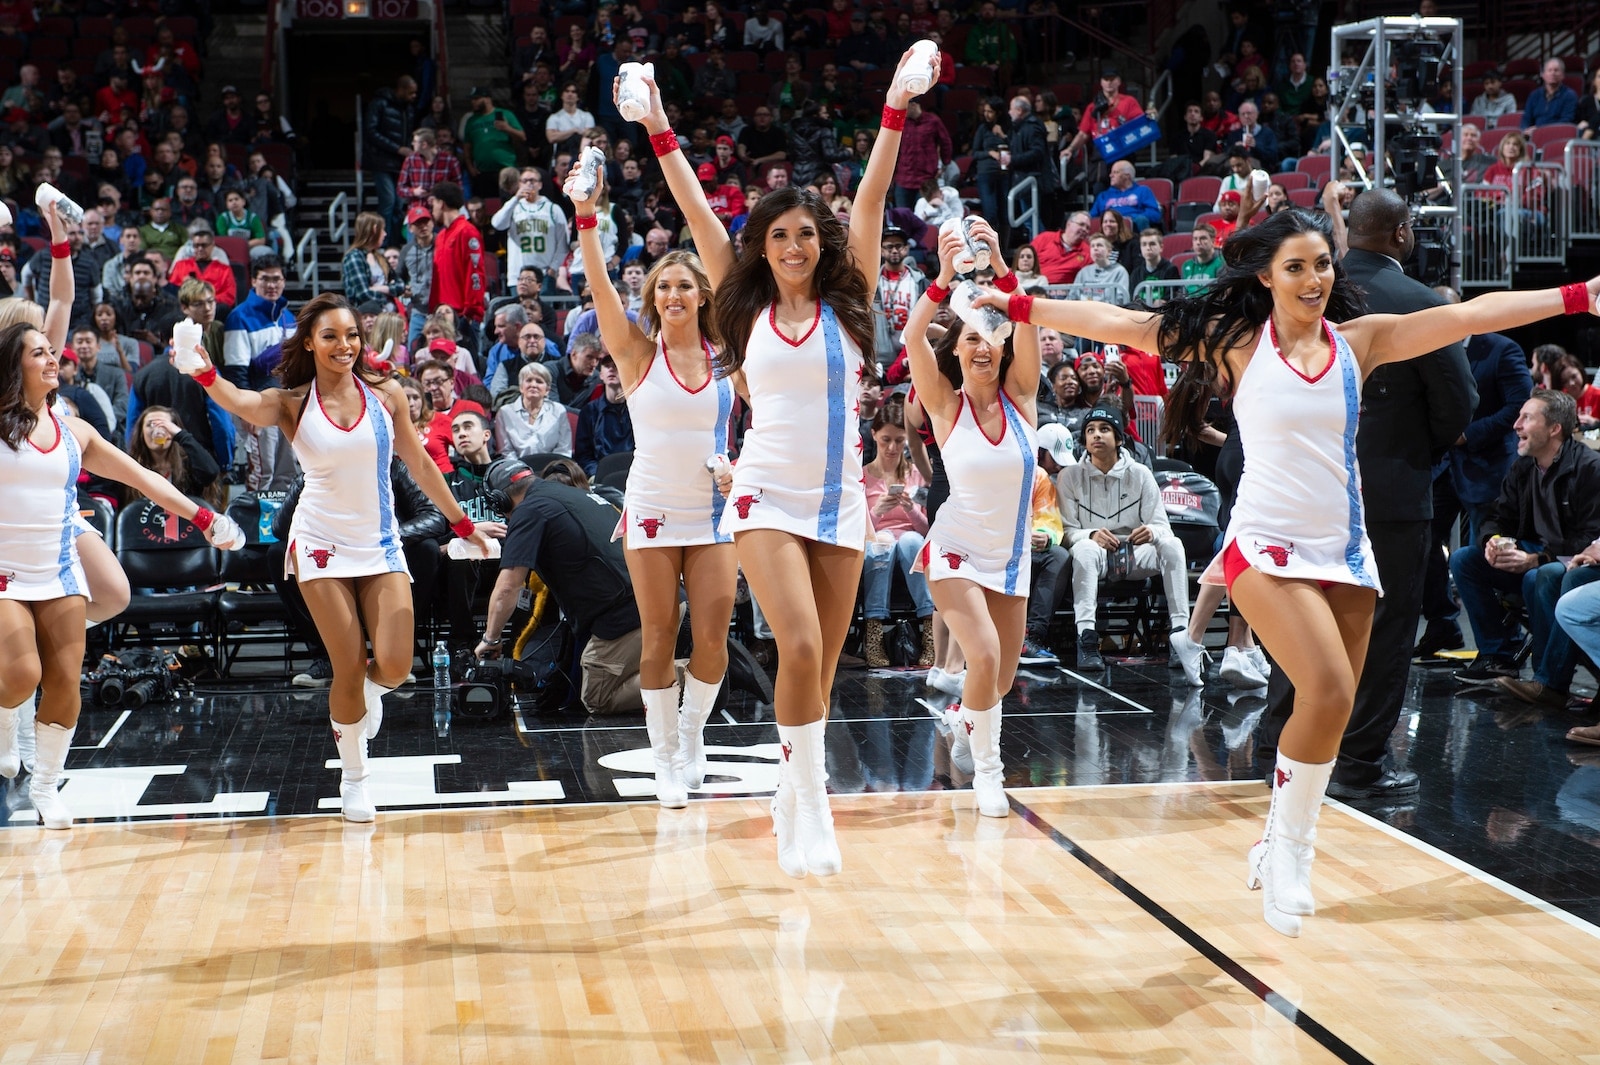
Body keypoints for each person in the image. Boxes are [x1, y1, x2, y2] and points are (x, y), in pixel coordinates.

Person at [966, 206, 1600, 937]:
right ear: (1266, 275)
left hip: (1344, 549)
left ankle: (1278, 836)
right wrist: (1021, 302)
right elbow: (1121, 322)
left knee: (1333, 707)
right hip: (1263, 546)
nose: (1314, 278)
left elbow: (1471, 315)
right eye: (1296, 266)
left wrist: (1577, 295)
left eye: (1323, 264)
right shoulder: (1237, 344)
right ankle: (1293, 851)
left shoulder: (1361, 341)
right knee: (1327, 688)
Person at [638, 47, 922, 877]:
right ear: (759, 246)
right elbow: (694, 209)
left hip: (840, 499)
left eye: (805, 233)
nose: (793, 245)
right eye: (778, 234)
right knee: (797, 646)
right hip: (762, 494)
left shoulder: (852, 300)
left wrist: (895, 104)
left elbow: (870, 194)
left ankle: (790, 788)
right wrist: (658, 125)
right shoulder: (741, 308)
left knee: (821, 671)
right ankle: (815, 798)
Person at [179, 293, 492, 823]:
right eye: (330, 336)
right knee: (347, 665)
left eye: (351, 335)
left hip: (378, 541)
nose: (343, 345)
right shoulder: (290, 403)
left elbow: (418, 463)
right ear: (310, 343)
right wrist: (204, 373)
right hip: (319, 541)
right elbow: (239, 401)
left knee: (393, 666)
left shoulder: (388, 394)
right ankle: (355, 778)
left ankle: (361, 704)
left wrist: (462, 523)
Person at [0, 203, 241, 826]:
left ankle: (45, 779)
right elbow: (56, 305)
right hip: (5, 558)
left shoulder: (70, 423)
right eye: (40, 351)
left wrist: (204, 517)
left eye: (52, 351)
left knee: (70, 666)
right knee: (20, 669)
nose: (55, 355)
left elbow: (137, 476)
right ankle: (10, 733)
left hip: (56, 547)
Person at [1256, 189, 1476, 802]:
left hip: (1299, 496)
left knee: (1297, 632)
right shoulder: (1412, 302)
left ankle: (1284, 748)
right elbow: (1458, 404)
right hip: (1393, 494)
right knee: (1386, 633)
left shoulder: (1305, 295)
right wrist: (1417, 457)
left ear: (1347, 240)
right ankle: (1357, 763)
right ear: (1403, 234)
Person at [562, 162, 739, 805]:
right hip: (654, 509)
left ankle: (692, 736)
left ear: (701, 295)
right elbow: (602, 289)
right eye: (664, 288)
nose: (672, 296)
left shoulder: (730, 357)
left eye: (684, 287)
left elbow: (771, 416)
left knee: (715, 636)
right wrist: (586, 217)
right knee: (660, 632)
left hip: (718, 511)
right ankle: (664, 755)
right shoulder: (637, 353)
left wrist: (739, 467)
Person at [897, 216, 1038, 817]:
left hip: (1013, 556)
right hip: (953, 548)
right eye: (971, 339)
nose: (983, 346)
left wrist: (1001, 265)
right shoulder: (945, 406)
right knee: (979, 658)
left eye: (991, 336)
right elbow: (910, 340)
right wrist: (943, 278)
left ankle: (963, 719)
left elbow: (1027, 314)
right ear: (956, 351)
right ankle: (988, 772)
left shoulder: (1024, 397)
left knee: (1000, 680)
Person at [1447, 389, 1600, 703]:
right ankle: (1497, 656)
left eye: (1526, 418)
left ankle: (1548, 679)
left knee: (1540, 576)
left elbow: (1590, 536)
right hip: (1538, 553)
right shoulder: (1523, 466)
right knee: (1465, 559)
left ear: (1554, 428)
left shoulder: (1589, 467)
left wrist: (1536, 559)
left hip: (1573, 560)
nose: (1516, 425)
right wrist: (1492, 541)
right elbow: (1497, 515)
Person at [478, 461, 647, 714]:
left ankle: (694, 678)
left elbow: (507, 587)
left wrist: (490, 639)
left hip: (625, 616)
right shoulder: (583, 495)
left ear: (499, 502)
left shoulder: (528, 510)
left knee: (597, 697)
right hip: (654, 600)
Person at [1418, 329, 1532, 658]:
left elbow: (1517, 408)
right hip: (1444, 466)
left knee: (1483, 553)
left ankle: (1499, 644)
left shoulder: (1501, 349)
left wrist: (1468, 435)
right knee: (1423, 539)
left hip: (1490, 466)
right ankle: (1442, 622)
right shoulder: (1429, 345)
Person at [859, 404, 934, 667]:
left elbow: (927, 529)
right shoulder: (863, 477)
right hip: (877, 541)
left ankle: (930, 628)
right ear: (875, 435)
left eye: (899, 441)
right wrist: (878, 512)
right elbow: (860, 530)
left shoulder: (918, 475)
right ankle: (874, 630)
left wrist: (910, 508)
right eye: (886, 440)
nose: (892, 448)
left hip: (912, 540)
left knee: (912, 541)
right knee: (882, 545)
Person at [428, 182, 488, 350]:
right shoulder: (440, 236)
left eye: (433, 204)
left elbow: (475, 273)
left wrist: (471, 313)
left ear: (441, 203)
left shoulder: (467, 231)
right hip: (441, 316)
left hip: (462, 317)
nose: (433, 211)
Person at [492, 167, 569, 296]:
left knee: (542, 314)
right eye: (524, 181)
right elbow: (497, 224)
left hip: (544, 275)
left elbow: (563, 243)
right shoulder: (513, 207)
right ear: (519, 184)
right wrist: (515, 198)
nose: (528, 184)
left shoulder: (553, 209)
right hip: (517, 275)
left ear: (540, 184)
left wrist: (553, 268)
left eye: (532, 180)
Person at [495, 359, 572, 457]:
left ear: (547, 390)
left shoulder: (558, 411)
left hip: (552, 468)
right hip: (516, 469)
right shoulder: (505, 413)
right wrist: (522, 471)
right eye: (529, 380)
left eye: (539, 381)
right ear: (521, 387)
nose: (533, 385)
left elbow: (564, 449)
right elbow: (506, 452)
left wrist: (552, 469)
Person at [1090, 161, 1163, 233]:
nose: (1110, 175)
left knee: (1141, 220)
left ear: (1127, 176)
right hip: (1108, 228)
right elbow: (1092, 216)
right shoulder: (1103, 195)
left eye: (1115, 172)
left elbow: (1155, 214)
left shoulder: (1142, 190)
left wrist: (1131, 218)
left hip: (1134, 227)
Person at [1031, 211, 1093, 285]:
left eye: (1088, 228)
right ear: (1069, 224)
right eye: (1081, 224)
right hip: (1036, 287)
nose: (1084, 229)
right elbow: (1025, 260)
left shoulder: (1088, 252)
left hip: (1064, 293)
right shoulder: (1044, 238)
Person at [1521, 58, 1578, 130]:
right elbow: (1526, 119)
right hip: (1533, 135)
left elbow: (1566, 121)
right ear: (1543, 75)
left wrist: (1539, 129)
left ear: (1563, 75)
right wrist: (1525, 130)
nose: (1553, 73)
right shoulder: (1534, 95)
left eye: (1556, 70)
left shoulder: (1569, 95)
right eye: (1549, 70)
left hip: (1556, 133)